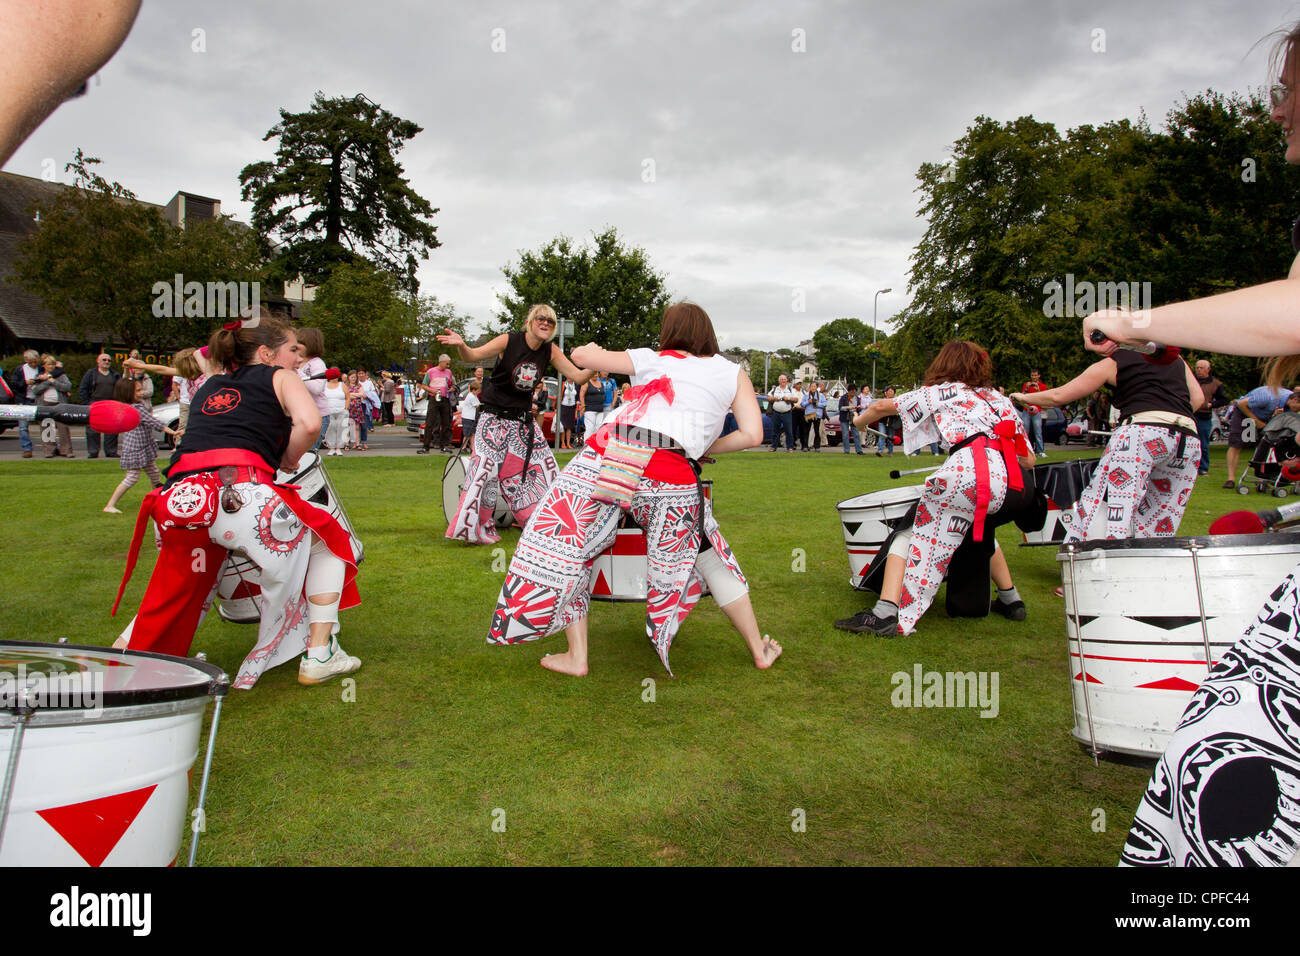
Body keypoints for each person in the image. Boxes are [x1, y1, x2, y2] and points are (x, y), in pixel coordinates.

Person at [1080, 17, 1300, 870]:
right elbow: (1211, 396)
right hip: (1188, 440)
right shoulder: (1185, 379)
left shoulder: (1125, 372)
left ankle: (1112, 607)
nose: (1277, 109)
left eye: (1287, 90)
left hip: (1145, 437)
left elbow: (1289, 310)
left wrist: (1134, 322)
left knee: (1106, 531)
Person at [486, 302, 769, 676]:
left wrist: (591, 350)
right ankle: (758, 650)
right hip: (675, 470)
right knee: (707, 551)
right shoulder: (732, 372)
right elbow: (753, 434)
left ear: (669, 332)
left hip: (616, 454)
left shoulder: (652, 358)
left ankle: (577, 656)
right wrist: (695, 449)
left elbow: (582, 355)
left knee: (569, 543)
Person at [112, 313, 361, 689]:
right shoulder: (282, 377)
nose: (298, 357)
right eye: (292, 349)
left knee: (175, 584)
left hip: (178, 500)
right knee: (329, 540)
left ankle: (123, 659)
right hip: (239, 496)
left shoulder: (211, 385)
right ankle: (320, 653)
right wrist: (288, 459)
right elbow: (309, 425)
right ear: (265, 352)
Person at [839, 341, 1035, 636]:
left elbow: (881, 406)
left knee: (910, 530)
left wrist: (860, 422)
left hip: (972, 475)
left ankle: (885, 613)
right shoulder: (999, 399)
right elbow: (1029, 459)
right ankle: (1011, 599)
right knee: (974, 524)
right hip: (1016, 489)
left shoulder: (946, 391)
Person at [438, 304, 593, 544]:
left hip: (521, 422)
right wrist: (462, 345)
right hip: (493, 418)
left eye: (550, 321)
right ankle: (474, 529)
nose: (546, 323)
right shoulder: (508, 340)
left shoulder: (549, 350)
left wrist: (597, 361)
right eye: (541, 318)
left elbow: (579, 376)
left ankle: (546, 524)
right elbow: (473, 356)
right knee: (484, 472)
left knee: (544, 469)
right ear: (531, 321)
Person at [1010, 350, 1202, 543]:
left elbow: (1059, 396)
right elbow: (1198, 398)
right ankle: (1151, 560)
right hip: (1186, 438)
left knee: (1105, 504)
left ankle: (1095, 560)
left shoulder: (1117, 360)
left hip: (1141, 431)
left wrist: (1022, 398)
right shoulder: (1176, 359)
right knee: (1162, 515)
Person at [103, 375, 178, 513]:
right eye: (137, 391)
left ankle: (158, 499)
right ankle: (110, 505)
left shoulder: (129, 406)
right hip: (136, 449)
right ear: (128, 393)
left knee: (154, 473)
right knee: (132, 477)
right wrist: (173, 432)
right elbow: (153, 422)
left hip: (142, 447)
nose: (141, 393)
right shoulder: (137, 408)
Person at [1223, 382, 1289, 487]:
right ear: (1294, 401)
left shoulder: (1290, 401)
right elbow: (1241, 404)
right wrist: (1256, 421)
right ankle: (1230, 479)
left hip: (1264, 416)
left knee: (1265, 445)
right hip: (1244, 413)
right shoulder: (1268, 397)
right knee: (1237, 444)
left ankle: (1261, 478)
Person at [79, 352, 120, 458]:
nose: (107, 362)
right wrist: (87, 403)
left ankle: (111, 451)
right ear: (98, 361)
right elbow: (83, 389)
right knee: (92, 429)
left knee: (112, 429)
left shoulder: (114, 375)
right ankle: (93, 451)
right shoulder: (91, 373)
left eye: (109, 360)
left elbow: (120, 389)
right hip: (95, 404)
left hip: (111, 404)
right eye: (104, 360)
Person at [32, 354, 73, 458]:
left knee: (63, 427)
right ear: (44, 366)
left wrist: (53, 381)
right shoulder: (39, 376)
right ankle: (49, 451)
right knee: (46, 427)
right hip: (44, 405)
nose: (51, 367)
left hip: (59, 405)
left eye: (53, 364)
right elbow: (36, 390)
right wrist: (47, 382)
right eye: (49, 364)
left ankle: (66, 450)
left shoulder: (61, 375)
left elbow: (67, 387)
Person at [417, 354, 455, 453]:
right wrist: (432, 391)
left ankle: (444, 445)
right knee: (430, 422)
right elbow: (424, 385)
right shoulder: (430, 372)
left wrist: (451, 388)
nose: (448, 366)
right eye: (447, 364)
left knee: (446, 423)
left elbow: (451, 384)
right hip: (434, 398)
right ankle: (426, 446)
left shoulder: (449, 372)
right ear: (441, 362)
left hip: (445, 398)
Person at [6, 350, 40, 458]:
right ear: (26, 360)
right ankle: (27, 448)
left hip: (38, 399)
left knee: (47, 423)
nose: (34, 364)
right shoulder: (20, 370)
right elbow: (14, 384)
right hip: (24, 399)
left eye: (35, 362)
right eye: (31, 362)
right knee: (23, 427)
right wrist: (25, 383)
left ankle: (51, 447)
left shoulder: (41, 369)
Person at [1019, 368, 1048, 457]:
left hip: (1036, 410)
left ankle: (1040, 451)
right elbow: (1022, 396)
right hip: (1026, 409)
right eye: (1032, 375)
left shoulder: (1043, 386)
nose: (1034, 377)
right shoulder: (1026, 385)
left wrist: (1038, 389)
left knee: (1038, 431)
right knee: (1025, 431)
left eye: (1035, 375)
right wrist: (1027, 388)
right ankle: (1025, 450)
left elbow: (1044, 397)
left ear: (1039, 376)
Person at [766, 374, 797, 451]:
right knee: (775, 430)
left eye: (784, 379)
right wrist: (774, 398)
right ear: (779, 381)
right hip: (776, 413)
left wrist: (788, 398)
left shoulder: (790, 389)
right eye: (781, 379)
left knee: (789, 431)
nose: (783, 381)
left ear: (786, 380)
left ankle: (790, 447)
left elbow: (796, 399)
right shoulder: (775, 389)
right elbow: (768, 398)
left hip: (787, 413)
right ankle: (773, 447)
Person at [323, 368, 348, 455]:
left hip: (341, 410)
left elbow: (347, 397)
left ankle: (339, 448)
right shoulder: (324, 385)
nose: (334, 378)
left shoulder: (342, 385)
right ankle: (331, 447)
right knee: (330, 428)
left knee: (341, 428)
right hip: (328, 411)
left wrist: (346, 408)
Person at [580, 370, 607, 437]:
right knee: (590, 428)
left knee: (598, 428)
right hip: (590, 409)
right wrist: (583, 407)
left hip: (600, 409)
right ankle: (586, 446)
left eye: (597, 373)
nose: (595, 375)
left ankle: (594, 446)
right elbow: (581, 395)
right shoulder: (586, 383)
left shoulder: (601, 383)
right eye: (594, 374)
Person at [839, 384, 864, 454]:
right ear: (848, 391)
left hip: (854, 417)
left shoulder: (857, 398)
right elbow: (840, 408)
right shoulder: (843, 398)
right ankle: (846, 450)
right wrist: (847, 407)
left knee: (856, 434)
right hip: (845, 417)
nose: (853, 393)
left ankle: (859, 450)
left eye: (854, 392)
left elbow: (858, 409)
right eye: (851, 392)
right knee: (845, 434)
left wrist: (859, 408)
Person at [875, 385, 900, 456]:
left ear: (894, 393)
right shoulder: (883, 401)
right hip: (882, 421)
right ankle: (880, 450)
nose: (890, 392)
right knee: (882, 435)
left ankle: (890, 452)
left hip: (892, 422)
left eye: (891, 391)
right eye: (888, 391)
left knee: (890, 437)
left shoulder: (896, 401)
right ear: (886, 393)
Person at [459, 381, 482, 451]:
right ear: (474, 390)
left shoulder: (474, 396)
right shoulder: (471, 396)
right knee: (467, 434)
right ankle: (463, 447)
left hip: (471, 418)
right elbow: (477, 405)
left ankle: (472, 448)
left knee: (472, 434)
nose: (479, 391)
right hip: (468, 417)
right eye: (478, 390)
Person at [559, 376, 578, 449]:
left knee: (569, 426)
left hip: (572, 407)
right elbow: (559, 395)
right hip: (564, 406)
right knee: (563, 426)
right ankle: (563, 443)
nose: (570, 377)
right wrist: (556, 407)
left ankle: (568, 443)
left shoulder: (576, 385)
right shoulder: (563, 384)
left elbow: (578, 395)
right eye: (568, 376)